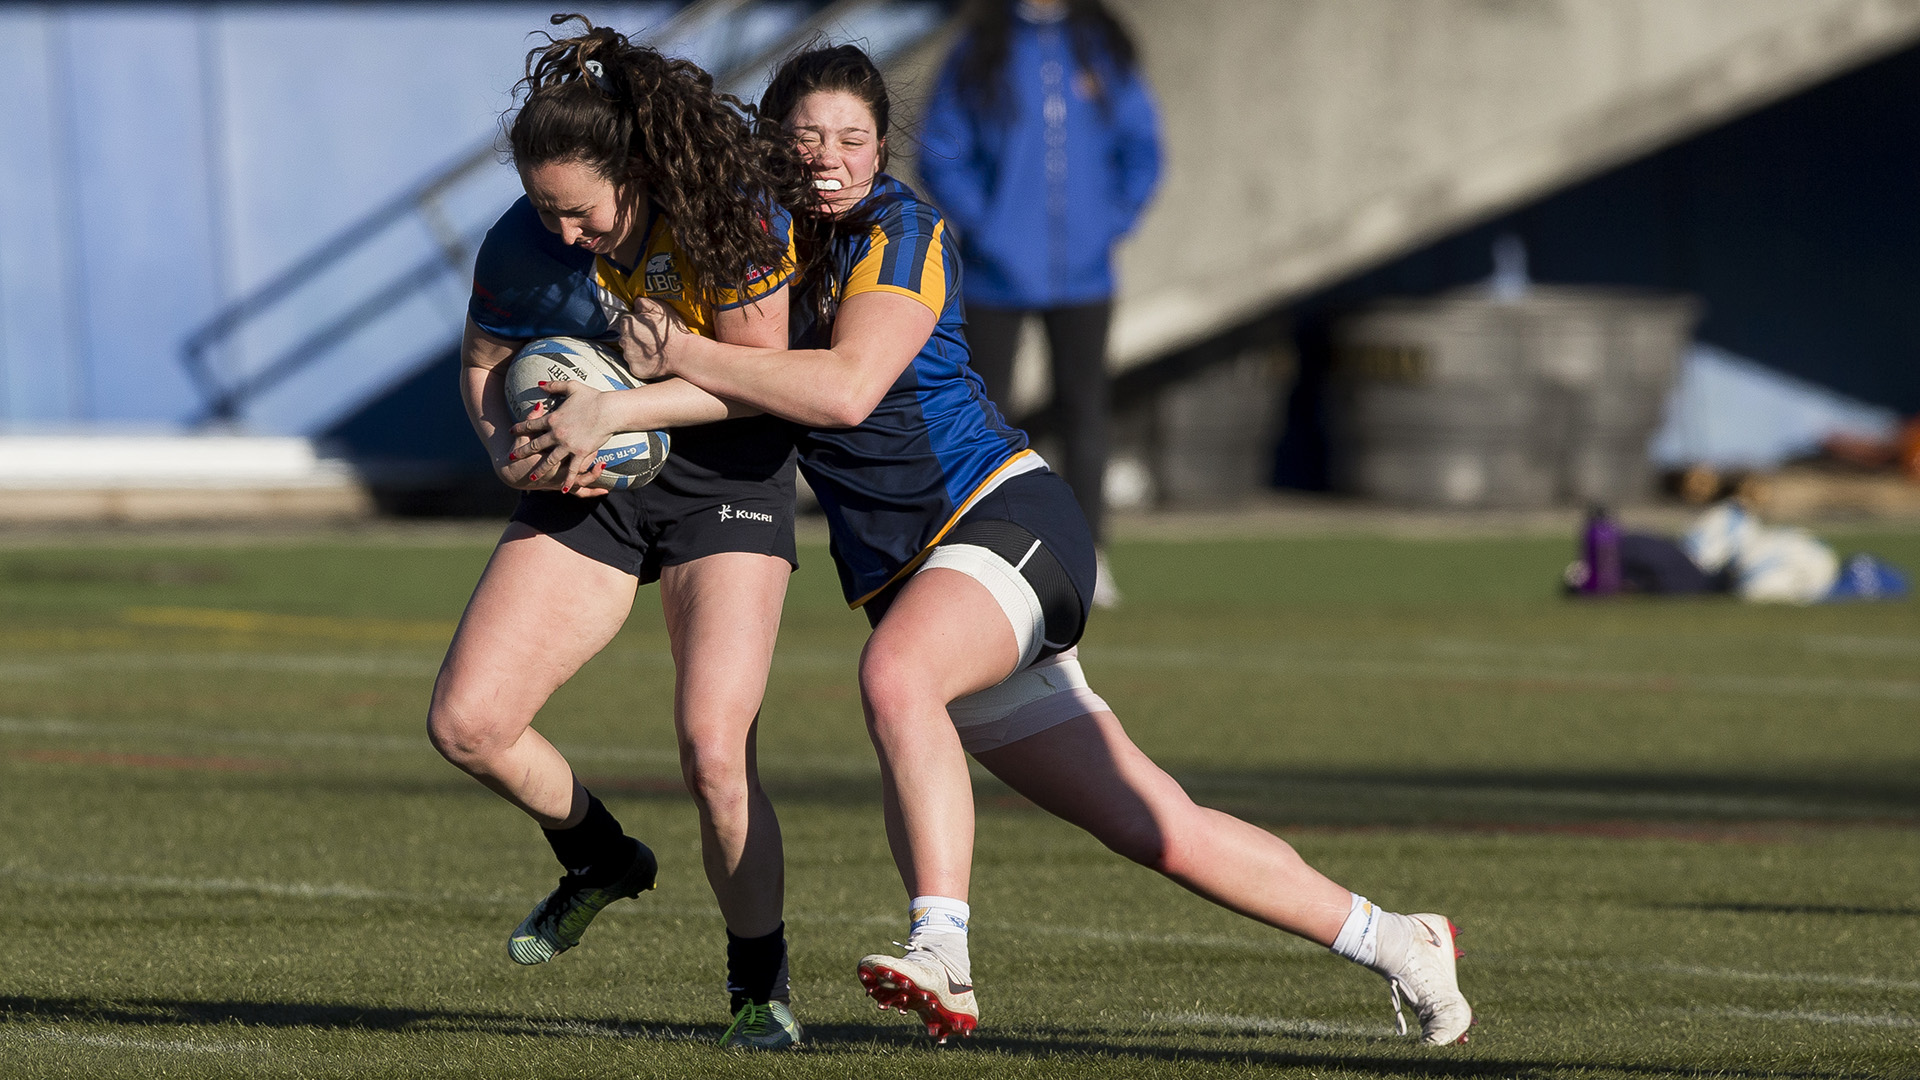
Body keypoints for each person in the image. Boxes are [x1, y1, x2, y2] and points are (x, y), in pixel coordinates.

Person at [609, 44, 1474, 1047]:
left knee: (897, 677)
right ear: (773, 142)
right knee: (1158, 827)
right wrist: (609, 399)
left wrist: (675, 354)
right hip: (923, 580)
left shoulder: (903, 230)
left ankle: (942, 947)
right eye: (806, 138)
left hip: (1004, 521)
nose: (829, 159)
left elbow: (845, 390)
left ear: (882, 147)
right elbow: (733, 373)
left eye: (851, 138)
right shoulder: (759, 244)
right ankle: (1400, 939)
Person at [424, 16, 812, 1050]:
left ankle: (759, 985)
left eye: (579, 211)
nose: (561, 234)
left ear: (633, 173)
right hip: (589, 474)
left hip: (727, 479)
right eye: (542, 208)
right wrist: (504, 449)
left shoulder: (727, 215)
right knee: (468, 723)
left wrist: (620, 409)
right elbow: (483, 361)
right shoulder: (523, 238)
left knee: (714, 753)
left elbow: (762, 381)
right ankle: (599, 856)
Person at [919, 0, 1162, 607]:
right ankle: (979, 553)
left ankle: (1091, 554)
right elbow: (941, 150)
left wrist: (1108, 222)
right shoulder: (981, 47)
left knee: (1085, 412)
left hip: (1086, 277)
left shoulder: (1101, 46)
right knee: (983, 415)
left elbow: (1142, 147)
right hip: (993, 276)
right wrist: (987, 227)